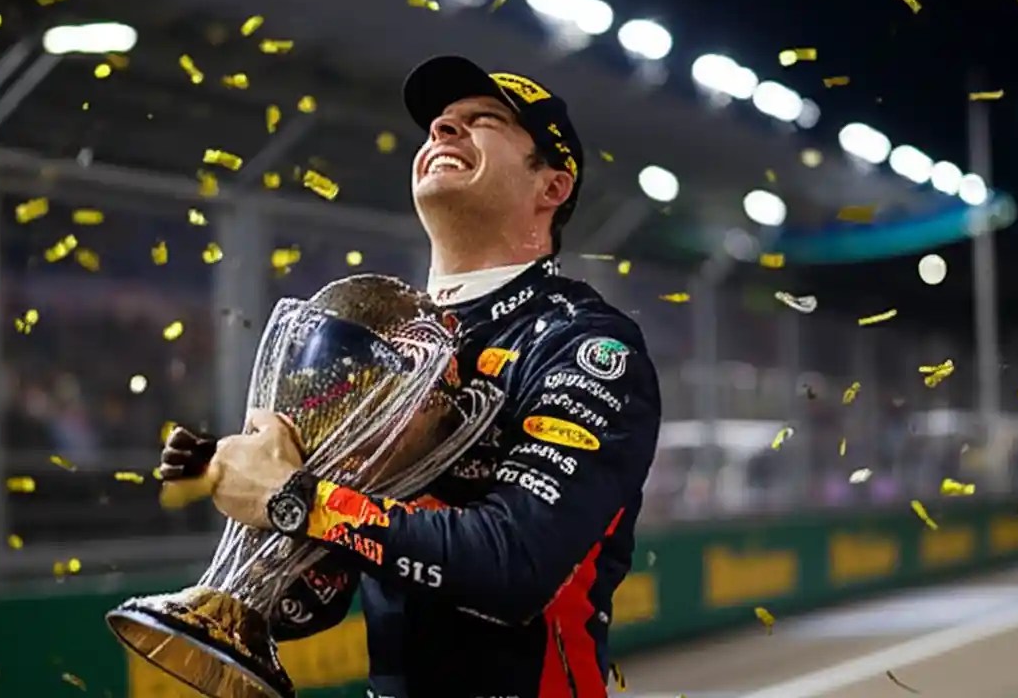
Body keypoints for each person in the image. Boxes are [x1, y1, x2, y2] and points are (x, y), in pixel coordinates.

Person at [160, 55, 661, 697]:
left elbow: (515, 567)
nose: (444, 131)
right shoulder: (379, 342)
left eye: (484, 121)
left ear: (552, 188)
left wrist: (297, 498)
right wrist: (250, 491)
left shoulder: (584, 342)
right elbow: (308, 605)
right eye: (440, 124)